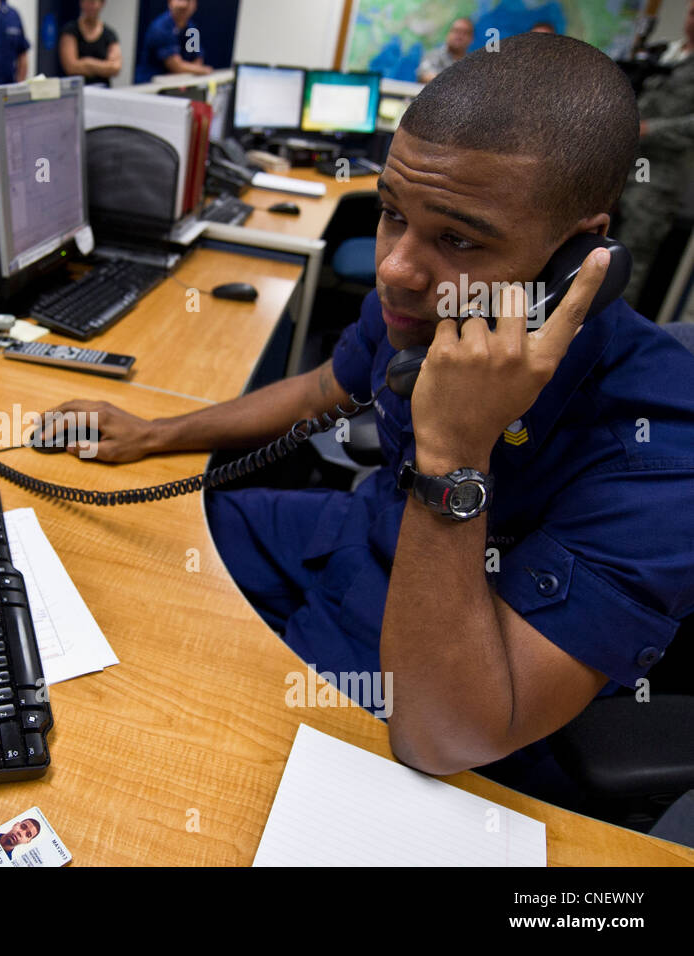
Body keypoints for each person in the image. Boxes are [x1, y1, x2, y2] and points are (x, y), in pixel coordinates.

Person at [38, 34, 694, 799]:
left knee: (192, 749)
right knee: (118, 549)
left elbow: (444, 733)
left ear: (578, 259)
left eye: (457, 237)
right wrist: (156, 435)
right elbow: (327, 386)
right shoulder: (428, 301)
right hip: (357, 539)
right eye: (391, 214)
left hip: (456, 654)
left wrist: (455, 451)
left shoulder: (663, 440)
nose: (395, 270)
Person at [613, 0, 694, 306]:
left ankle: (613, 336)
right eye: (691, 11)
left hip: (659, 173)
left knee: (631, 257)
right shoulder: (664, 52)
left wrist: (651, 129)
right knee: (595, 245)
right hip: (625, 163)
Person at [135, 0, 210, 84]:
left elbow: (197, 59)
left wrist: (196, 69)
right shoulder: (160, 27)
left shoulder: (192, 28)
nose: (184, 5)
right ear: (170, 3)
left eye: (188, 1)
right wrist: (203, 70)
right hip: (151, 86)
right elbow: (176, 66)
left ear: (195, 5)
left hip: (178, 84)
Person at [59, 0, 121, 85]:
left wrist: (87, 63)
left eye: (93, 2)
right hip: (76, 91)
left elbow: (115, 68)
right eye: (86, 1)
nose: (90, 6)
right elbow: (71, 67)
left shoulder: (110, 35)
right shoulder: (70, 31)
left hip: (103, 92)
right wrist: (103, 67)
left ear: (102, 4)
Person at [416, 17, 473, 83]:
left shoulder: (472, 64)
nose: (460, 36)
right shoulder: (433, 55)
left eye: (465, 33)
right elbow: (425, 76)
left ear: (471, 39)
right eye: (456, 31)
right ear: (448, 34)